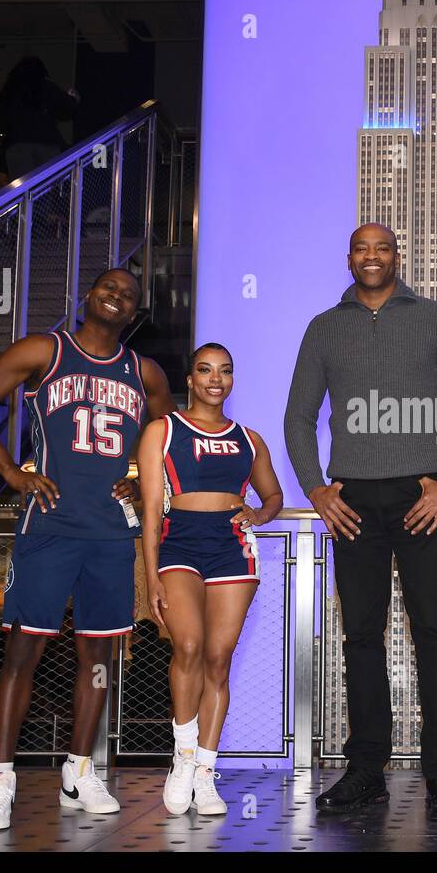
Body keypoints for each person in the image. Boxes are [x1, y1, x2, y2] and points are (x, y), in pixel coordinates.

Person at [0, 267, 176, 831]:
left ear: (134, 312)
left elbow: (167, 443)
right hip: (48, 523)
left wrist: (140, 479)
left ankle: (79, 770)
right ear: (87, 296)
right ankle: (0, 779)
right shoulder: (44, 349)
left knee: (98, 658)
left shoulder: (144, 372)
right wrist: (9, 471)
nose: (117, 296)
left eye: (129, 294)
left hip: (109, 532)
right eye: (109, 287)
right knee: (21, 653)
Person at [284, 223, 437, 820]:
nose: (371, 257)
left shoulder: (434, 318)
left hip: (419, 496)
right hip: (351, 505)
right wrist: (317, 491)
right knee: (362, 638)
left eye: (383, 248)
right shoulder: (324, 327)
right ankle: (366, 771)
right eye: (361, 248)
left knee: (435, 634)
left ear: (398, 257)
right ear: (349, 258)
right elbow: (298, 417)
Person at [137, 343, 283, 815]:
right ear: (191, 379)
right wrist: (151, 578)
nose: (215, 379)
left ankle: (205, 770)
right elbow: (150, 510)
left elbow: (274, 493)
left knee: (219, 660)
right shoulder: (163, 430)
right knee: (190, 647)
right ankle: (181, 757)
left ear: (232, 380)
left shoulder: (249, 438)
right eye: (204, 370)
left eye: (224, 371)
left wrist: (258, 513)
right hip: (178, 543)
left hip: (231, 547)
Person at [0, 55, 80, 181]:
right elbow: (68, 109)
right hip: (47, 144)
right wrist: (73, 97)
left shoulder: (10, 90)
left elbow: (0, 120)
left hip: (18, 144)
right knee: (44, 189)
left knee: (22, 188)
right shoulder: (47, 86)